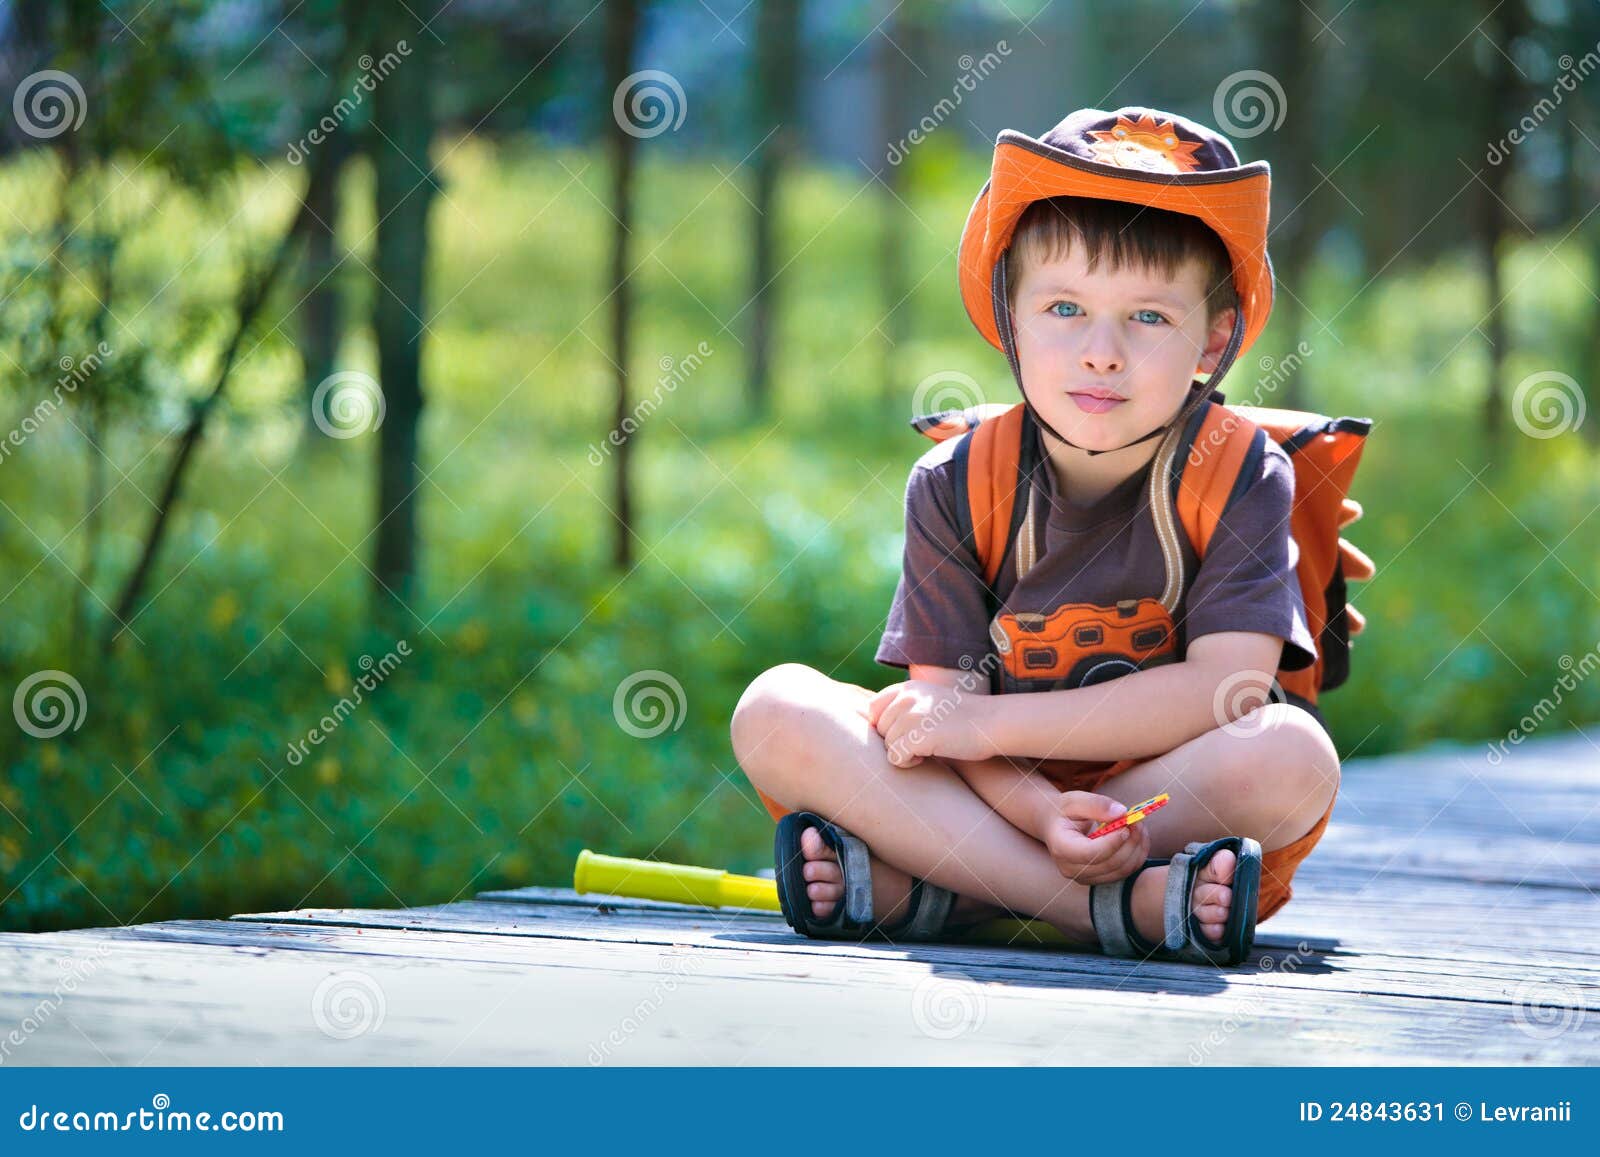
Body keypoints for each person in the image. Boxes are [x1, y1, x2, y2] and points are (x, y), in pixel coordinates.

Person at [731, 106, 1344, 965]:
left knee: (1294, 756)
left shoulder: (1239, 471)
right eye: (1064, 307)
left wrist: (983, 731)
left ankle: (951, 895)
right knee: (775, 711)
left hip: (1155, 803)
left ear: (1212, 339)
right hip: (986, 797)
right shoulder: (957, 481)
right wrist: (1034, 809)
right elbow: (936, 714)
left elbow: (1223, 690)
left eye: (1150, 319)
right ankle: (1108, 911)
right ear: (1010, 318)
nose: (1102, 352)